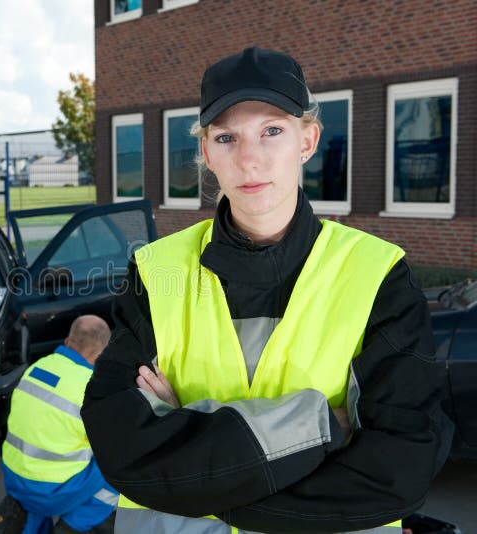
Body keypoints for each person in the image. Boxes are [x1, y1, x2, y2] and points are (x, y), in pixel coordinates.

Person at [81, 47, 453, 533]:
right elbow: (123, 447)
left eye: (272, 130)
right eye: (227, 137)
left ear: (308, 139)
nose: (250, 158)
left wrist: (191, 463)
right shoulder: (157, 271)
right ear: (208, 153)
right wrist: (324, 427)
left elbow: (398, 470)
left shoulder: (378, 273)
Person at [0, 315, 118, 534]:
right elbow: (114, 446)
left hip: (14, 483)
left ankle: (31, 527)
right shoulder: (91, 388)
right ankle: (73, 527)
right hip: (52, 493)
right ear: (101, 352)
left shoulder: (36, 368)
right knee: (119, 469)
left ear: (69, 340)